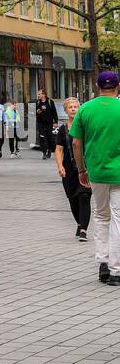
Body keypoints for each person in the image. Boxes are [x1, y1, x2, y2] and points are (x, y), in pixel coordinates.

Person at [71, 70, 120, 286]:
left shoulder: (85, 109)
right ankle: (116, 270)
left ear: (97, 87)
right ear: (118, 87)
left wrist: (81, 170)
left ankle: (103, 263)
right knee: (118, 218)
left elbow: (76, 143)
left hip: (96, 171)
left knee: (101, 215)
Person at [54, 97, 90, 241]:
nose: (73, 109)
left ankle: (83, 230)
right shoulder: (63, 129)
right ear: (66, 110)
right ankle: (79, 223)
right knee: (73, 199)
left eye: (76, 107)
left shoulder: (86, 126)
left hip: (85, 166)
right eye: (70, 107)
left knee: (84, 196)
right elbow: (58, 149)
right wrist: (60, 166)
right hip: (69, 168)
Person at [36, 88, 59, 160]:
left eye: (39, 94)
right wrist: (39, 111)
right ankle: (44, 153)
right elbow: (36, 112)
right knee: (42, 138)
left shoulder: (50, 102)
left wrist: (56, 122)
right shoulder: (38, 102)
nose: (38, 95)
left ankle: (49, 150)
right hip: (41, 123)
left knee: (50, 138)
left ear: (44, 94)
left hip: (49, 123)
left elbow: (54, 112)